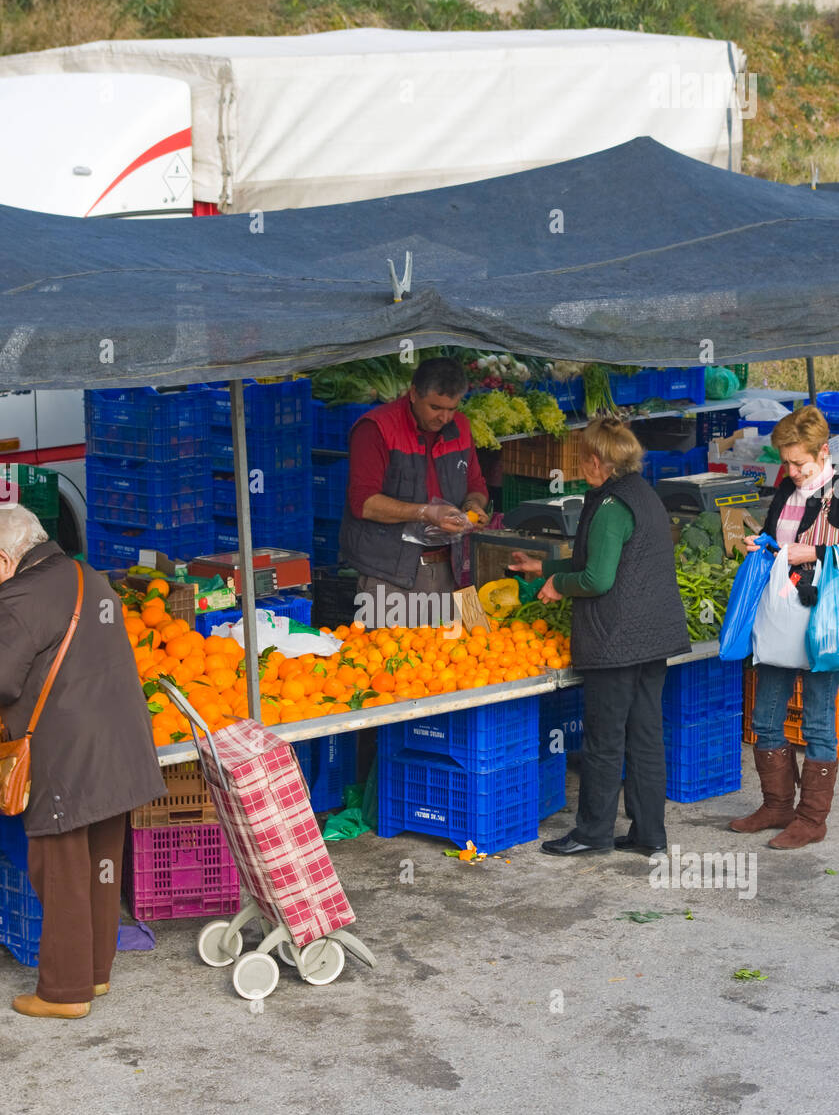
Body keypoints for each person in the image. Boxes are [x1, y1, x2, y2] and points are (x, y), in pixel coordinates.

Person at [0, 506, 166, 1018]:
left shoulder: (15, 595)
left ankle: (64, 992)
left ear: (2, 558)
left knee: (59, 867)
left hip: (67, 753)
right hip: (120, 746)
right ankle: (96, 974)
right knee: (102, 863)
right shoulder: (90, 576)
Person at [509, 417, 690, 856]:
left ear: (595, 461)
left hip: (617, 640)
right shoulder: (642, 493)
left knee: (604, 739)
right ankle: (650, 834)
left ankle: (592, 834)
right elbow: (616, 558)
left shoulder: (611, 506)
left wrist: (558, 585)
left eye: (582, 460)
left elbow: (597, 578)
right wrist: (545, 568)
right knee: (645, 735)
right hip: (653, 637)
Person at [731, 405, 839, 849]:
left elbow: (812, 551)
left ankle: (812, 819)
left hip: (822, 625)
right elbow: (782, 540)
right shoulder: (786, 491)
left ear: (824, 450)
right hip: (780, 620)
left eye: (799, 462)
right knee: (765, 717)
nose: (792, 471)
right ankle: (776, 805)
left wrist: (812, 555)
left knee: (816, 723)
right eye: (786, 462)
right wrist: (767, 545)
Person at [339, 358, 490, 623]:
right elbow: (363, 503)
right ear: (412, 394)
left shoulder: (461, 427)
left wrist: (474, 506)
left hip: (455, 570)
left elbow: (476, 485)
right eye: (435, 407)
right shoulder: (375, 428)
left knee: (469, 654)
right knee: (390, 659)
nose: (444, 417)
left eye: (452, 409)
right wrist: (425, 512)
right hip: (389, 576)